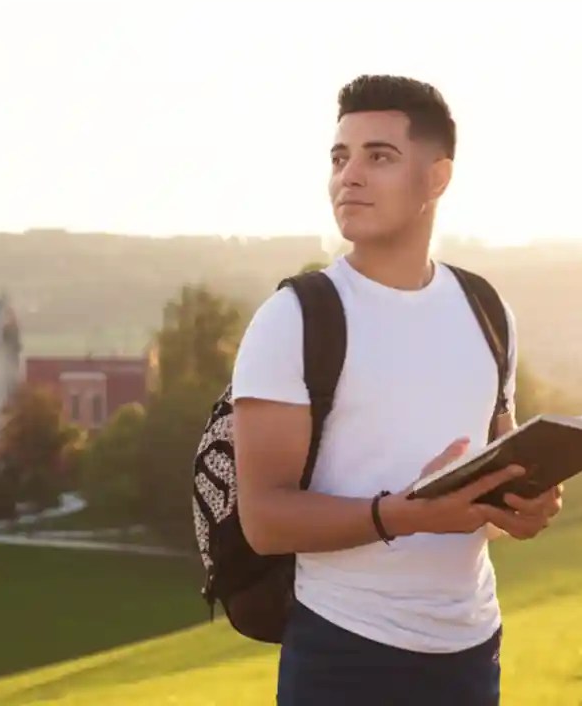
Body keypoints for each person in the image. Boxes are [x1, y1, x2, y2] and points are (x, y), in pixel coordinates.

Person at [231, 75, 564, 705]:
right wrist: (404, 514)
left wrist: (526, 507)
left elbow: (490, 481)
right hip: (345, 653)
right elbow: (265, 521)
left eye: (378, 156)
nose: (348, 176)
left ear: (436, 179)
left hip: (471, 651)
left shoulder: (487, 309)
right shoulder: (296, 318)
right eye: (339, 157)